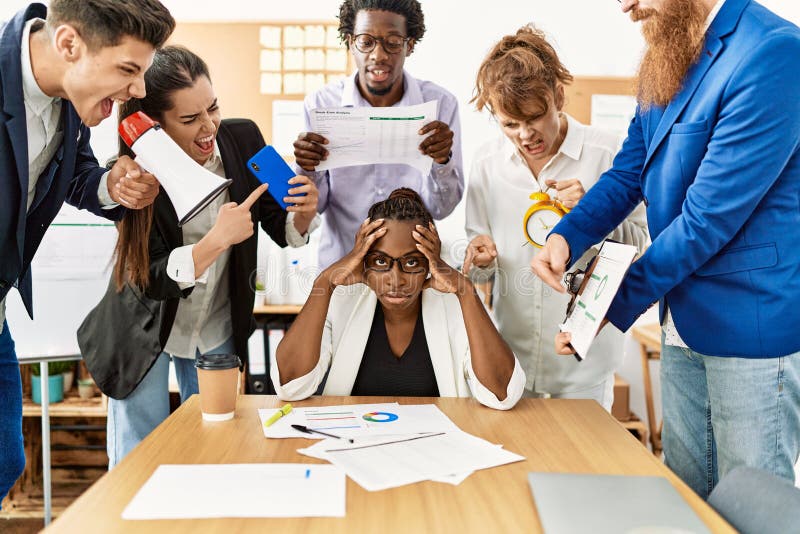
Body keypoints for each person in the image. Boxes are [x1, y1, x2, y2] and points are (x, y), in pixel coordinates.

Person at [531, 0, 800, 498]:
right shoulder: (668, 55)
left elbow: (706, 220)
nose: (626, 5)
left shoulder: (774, 52)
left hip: (751, 331)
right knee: (689, 502)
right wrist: (567, 234)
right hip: (681, 323)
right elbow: (629, 173)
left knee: (751, 507)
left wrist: (604, 302)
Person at [105, 46, 320, 466]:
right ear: (152, 126)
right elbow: (150, 277)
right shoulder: (131, 175)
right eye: (189, 119)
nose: (209, 127)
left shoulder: (244, 138)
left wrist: (305, 212)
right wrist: (215, 242)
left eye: (213, 107)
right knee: (138, 450)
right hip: (144, 324)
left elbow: (281, 225)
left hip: (216, 322)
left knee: (215, 444)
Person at [0, 0, 173, 505]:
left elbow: (73, 173)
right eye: (128, 70)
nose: (138, 90)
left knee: (6, 460)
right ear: (69, 44)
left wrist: (110, 185)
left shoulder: (66, 99)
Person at [463, 25, 648, 410]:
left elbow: (641, 244)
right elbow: (480, 273)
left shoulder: (609, 153)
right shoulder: (486, 164)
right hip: (511, 362)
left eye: (534, 117)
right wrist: (479, 261)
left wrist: (593, 215)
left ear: (558, 97)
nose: (525, 135)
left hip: (585, 364)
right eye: (510, 124)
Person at [273, 188, 525, 410]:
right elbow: (290, 386)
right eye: (380, 261)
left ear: (431, 263)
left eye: (412, 262)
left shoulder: (457, 303)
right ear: (362, 261)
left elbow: (502, 395)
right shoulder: (341, 300)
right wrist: (324, 282)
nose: (396, 279)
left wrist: (466, 292)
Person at [293, 0, 463, 269]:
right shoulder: (321, 104)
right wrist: (308, 168)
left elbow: (441, 209)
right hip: (343, 270)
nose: (378, 55)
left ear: (409, 45)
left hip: (409, 274)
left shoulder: (440, 105)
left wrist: (441, 162)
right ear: (350, 42)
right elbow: (319, 205)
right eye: (366, 41)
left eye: (393, 42)